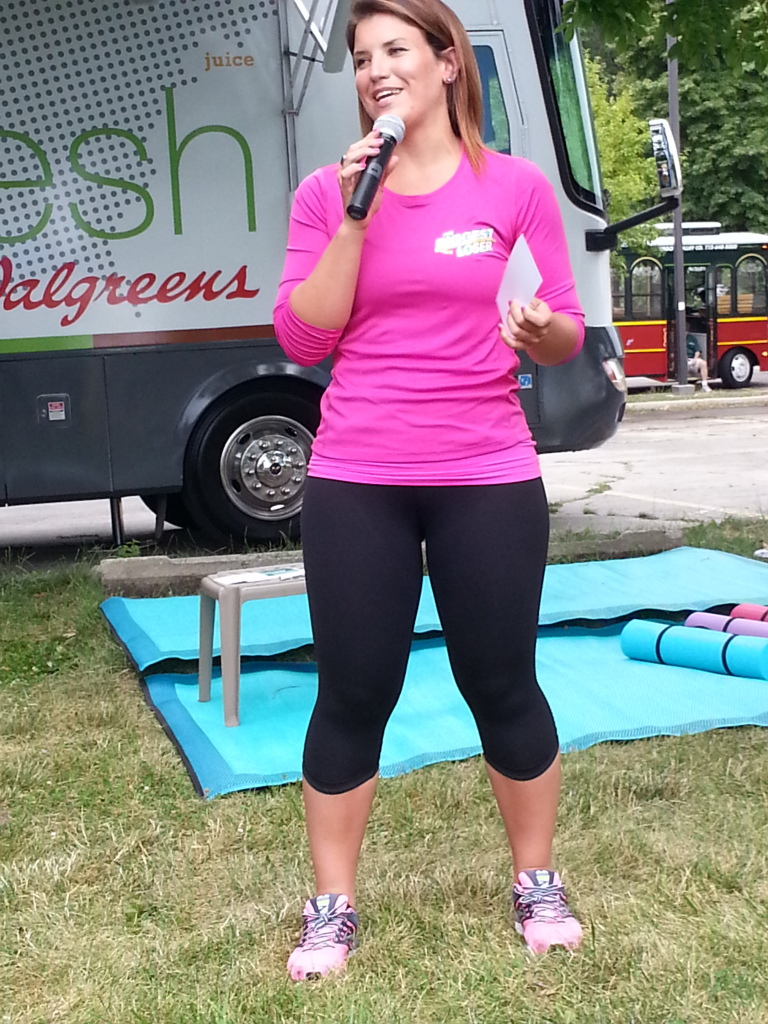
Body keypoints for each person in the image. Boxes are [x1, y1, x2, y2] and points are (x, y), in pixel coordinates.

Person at [273, 0, 585, 980]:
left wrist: (540, 332)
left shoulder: (516, 188)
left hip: (486, 473)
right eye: (362, 56)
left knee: (502, 682)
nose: (375, 69)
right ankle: (332, 906)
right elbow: (304, 336)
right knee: (353, 690)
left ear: (448, 62)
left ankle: (536, 880)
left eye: (396, 48)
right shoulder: (329, 193)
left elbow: (566, 331)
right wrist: (355, 215)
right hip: (357, 477)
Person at [686, 325, 711, 391]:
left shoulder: (691, 338)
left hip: (692, 359)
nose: (685, 332)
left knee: (703, 363)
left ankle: (704, 385)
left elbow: (697, 351)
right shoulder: (675, 338)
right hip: (682, 361)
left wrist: (695, 358)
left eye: (686, 330)